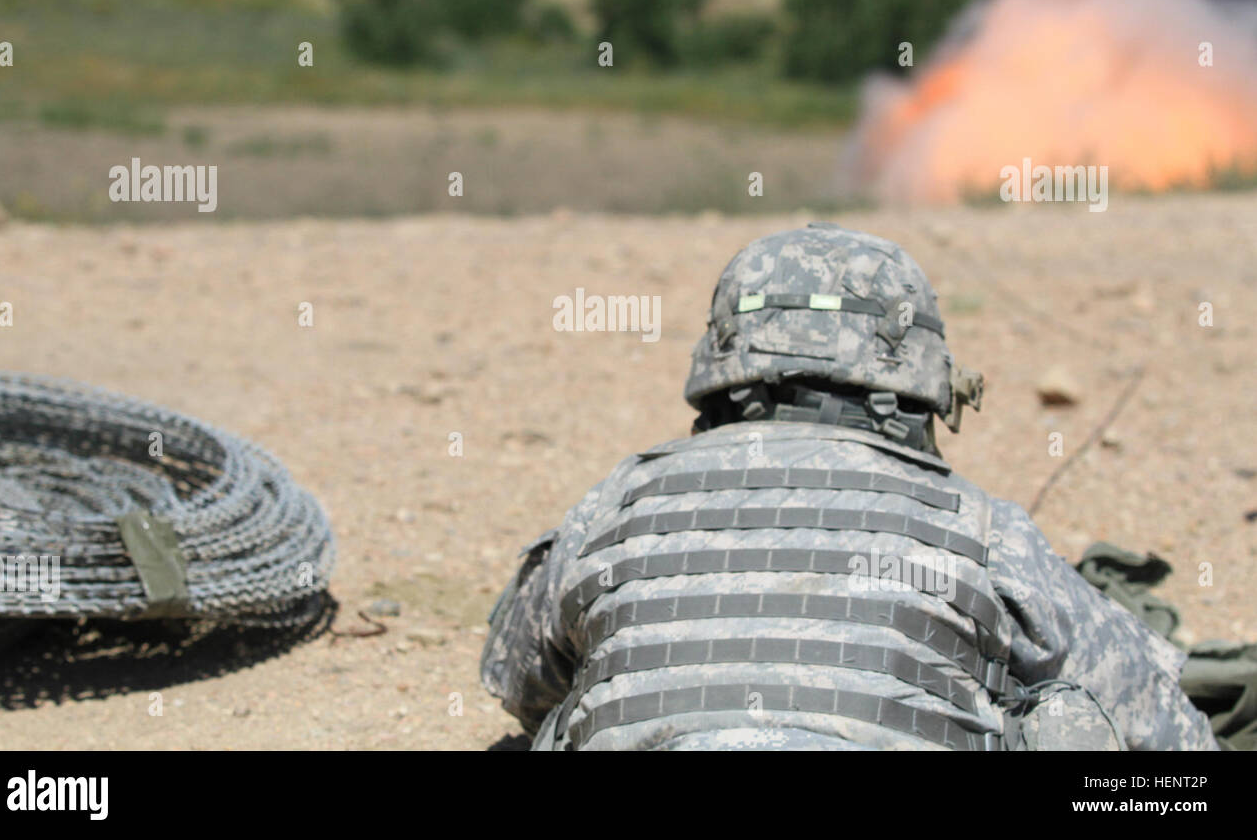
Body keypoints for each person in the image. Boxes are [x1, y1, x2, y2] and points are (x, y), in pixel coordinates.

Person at [480, 224, 1217, 750]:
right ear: (921, 386)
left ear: (721, 369)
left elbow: (518, 681)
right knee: (1069, 719)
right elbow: (1163, 724)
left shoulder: (615, 507)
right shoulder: (981, 529)